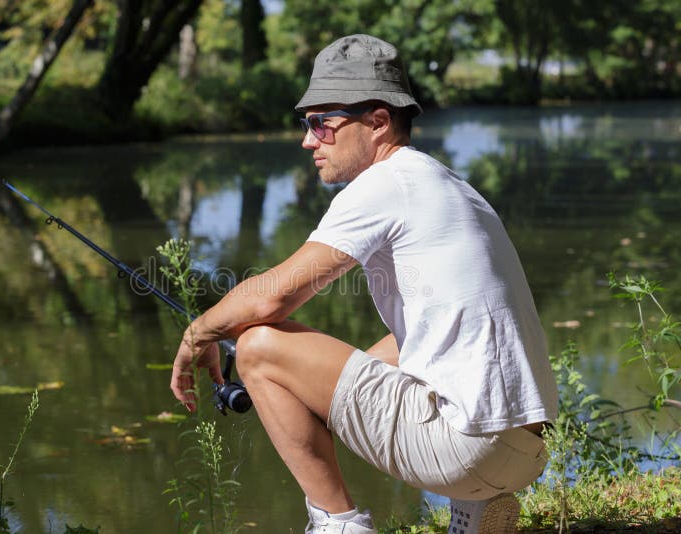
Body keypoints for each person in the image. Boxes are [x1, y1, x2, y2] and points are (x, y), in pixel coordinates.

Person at [170, 34, 558, 534]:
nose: (308, 140)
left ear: (377, 121)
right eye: (306, 124)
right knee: (317, 357)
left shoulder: (384, 182)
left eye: (322, 124)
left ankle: (341, 525)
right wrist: (314, 389)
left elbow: (272, 296)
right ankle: (474, 508)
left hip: (466, 448)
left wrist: (198, 333)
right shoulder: (452, 187)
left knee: (258, 347)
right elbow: (424, 335)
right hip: (526, 449)